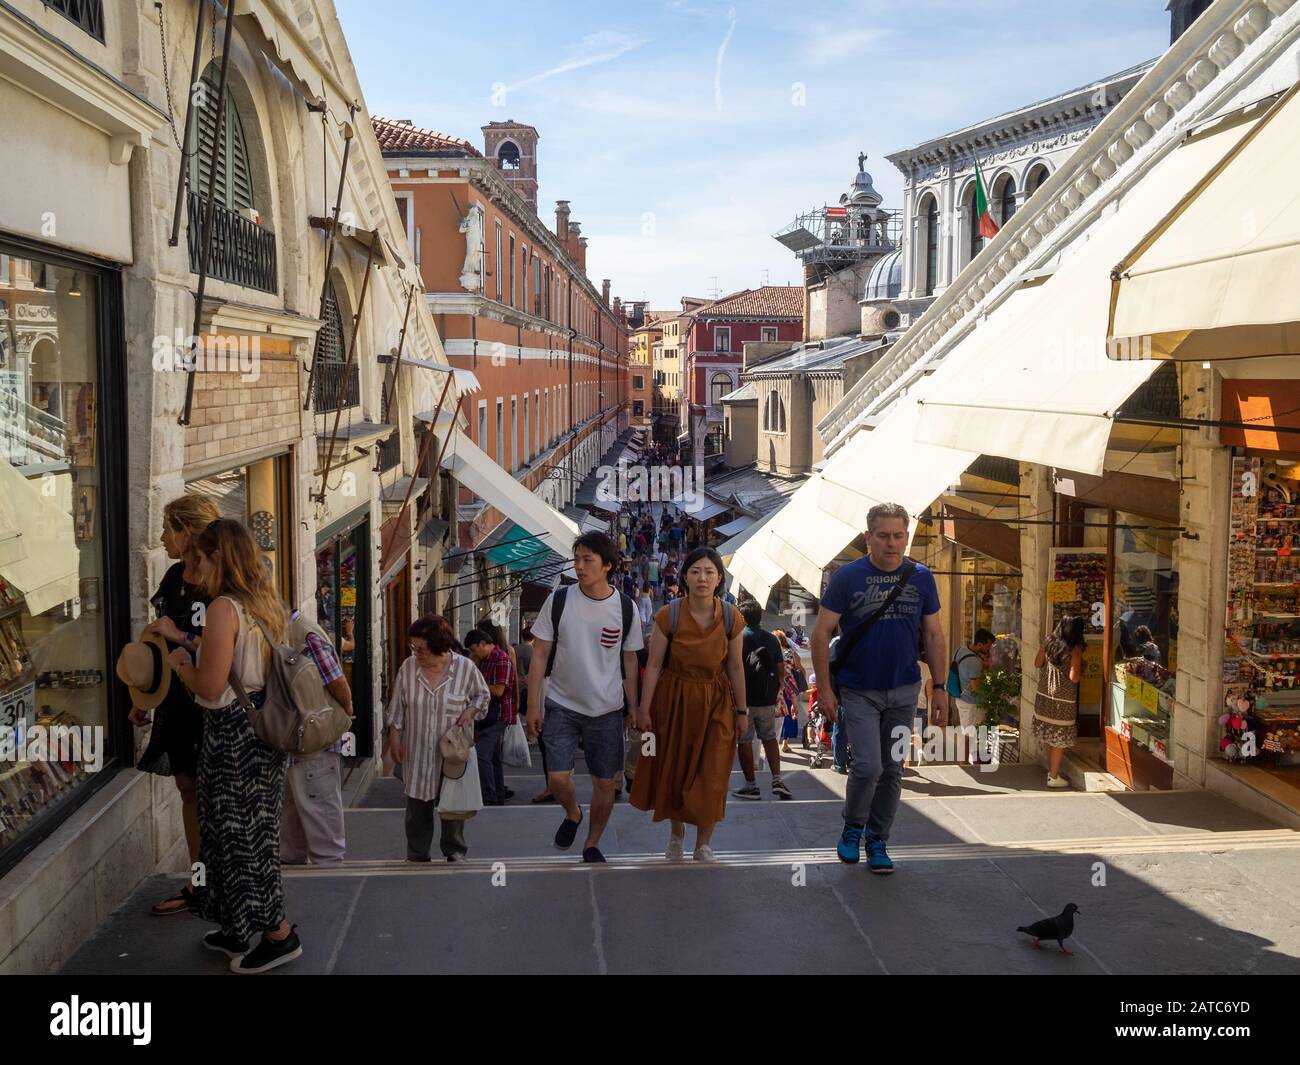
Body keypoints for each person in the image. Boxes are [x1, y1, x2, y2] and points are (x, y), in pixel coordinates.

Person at [167, 518, 301, 973]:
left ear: (216, 557)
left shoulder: (225, 607)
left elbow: (208, 686)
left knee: (240, 837)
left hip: (232, 732)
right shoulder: (264, 600)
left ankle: (278, 933)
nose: (193, 567)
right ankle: (235, 925)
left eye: (197, 558)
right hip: (262, 729)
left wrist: (183, 662)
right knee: (242, 832)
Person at [812, 503, 948, 875]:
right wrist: (824, 688)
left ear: (907, 536)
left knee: (892, 769)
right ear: (868, 537)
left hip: (904, 690)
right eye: (884, 536)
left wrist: (940, 686)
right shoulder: (847, 577)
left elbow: (934, 634)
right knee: (868, 765)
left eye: (899, 535)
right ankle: (853, 826)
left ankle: (878, 839)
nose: (892, 543)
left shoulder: (921, 576)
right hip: (859, 690)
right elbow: (821, 633)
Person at [527, 532, 643, 863]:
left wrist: (633, 707)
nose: (579, 567)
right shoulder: (559, 600)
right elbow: (539, 655)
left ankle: (592, 842)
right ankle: (573, 811)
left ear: (608, 566)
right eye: (576, 559)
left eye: (587, 560)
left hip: (606, 709)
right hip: (562, 703)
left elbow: (630, 660)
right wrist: (533, 705)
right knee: (558, 778)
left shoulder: (624, 608)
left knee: (605, 783)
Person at [132, 492, 219, 916]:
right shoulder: (173, 578)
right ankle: (199, 883)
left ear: (188, 533)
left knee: (213, 797)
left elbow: (224, 650)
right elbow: (156, 638)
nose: (163, 538)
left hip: (210, 704)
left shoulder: (218, 584)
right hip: (176, 702)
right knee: (188, 791)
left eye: (168, 529)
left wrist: (180, 635)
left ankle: (223, 882)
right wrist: (144, 694)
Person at [630, 547, 746, 861]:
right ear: (685, 576)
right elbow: (653, 665)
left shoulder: (731, 616)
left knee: (713, 771)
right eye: (696, 571)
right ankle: (677, 835)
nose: (702, 578)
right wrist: (643, 708)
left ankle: (704, 844)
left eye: (709, 572)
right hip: (674, 699)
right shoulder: (671, 614)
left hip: (717, 701)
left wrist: (742, 710)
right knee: (676, 768)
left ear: (719, 577)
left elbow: (735, 666)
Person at [388, 615, 491, 860]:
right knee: (416, 807)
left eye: (421, 649)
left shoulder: (465, 668)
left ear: (438, 646)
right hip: (417, 750)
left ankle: (454, 850)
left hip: (452, 753)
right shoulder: (408, 667)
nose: (416, 653)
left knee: (453, 805)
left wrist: (471, 710)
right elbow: (398, 707)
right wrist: (394, 735)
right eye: (413, 647)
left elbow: (482, 695)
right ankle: (417, 853)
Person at [280, 609, 353, 866]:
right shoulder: (293, 632)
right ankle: (295, 861)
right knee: (294, 811)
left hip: (314, 739)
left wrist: (347, 710)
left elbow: (335, 679)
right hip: (297, 742)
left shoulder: (304, 634)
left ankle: (330, 874)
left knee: (320, 807)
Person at [733, 597, 791, 801]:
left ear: (741, 617)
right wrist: (777, 691)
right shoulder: (772, 639)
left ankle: (751, 786)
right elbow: (780, 669)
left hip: (744, 700)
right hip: (767, 699)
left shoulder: (738, 638)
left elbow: (732, 669)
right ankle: (777, 780)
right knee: (769, 739)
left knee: (745, 741)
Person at [1033, 616, 1086, 789]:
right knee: (1059, 739)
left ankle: (1051, 772)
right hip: (1063, 699)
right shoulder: (1074, 649)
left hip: (1044, 695)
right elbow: (1074, 677)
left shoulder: (1049, 642)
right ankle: (1054, 777)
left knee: (1049, 734)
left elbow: (1037, 662)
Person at [466, 628, 511, 805]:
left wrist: (478, 682)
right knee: (493, 757)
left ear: (482, 644)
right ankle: (497, 794)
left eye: (473, 649)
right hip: (487, 715)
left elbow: (499, 691)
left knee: (482, 755)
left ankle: (489, 795)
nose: (473, 653)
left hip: (497, 715)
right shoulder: (484, 660)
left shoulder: (501, 659)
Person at [951, 628, 995, 764]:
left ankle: (965, 761)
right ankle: (963, 763)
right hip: (971, 702)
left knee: (967, 732)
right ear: (980, 644)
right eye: (988, 646)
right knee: (969, 734)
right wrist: (990, 694)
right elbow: (976, 687)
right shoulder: (974, 662)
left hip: (960, 696)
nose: (989, 649)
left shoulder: (961, 650)